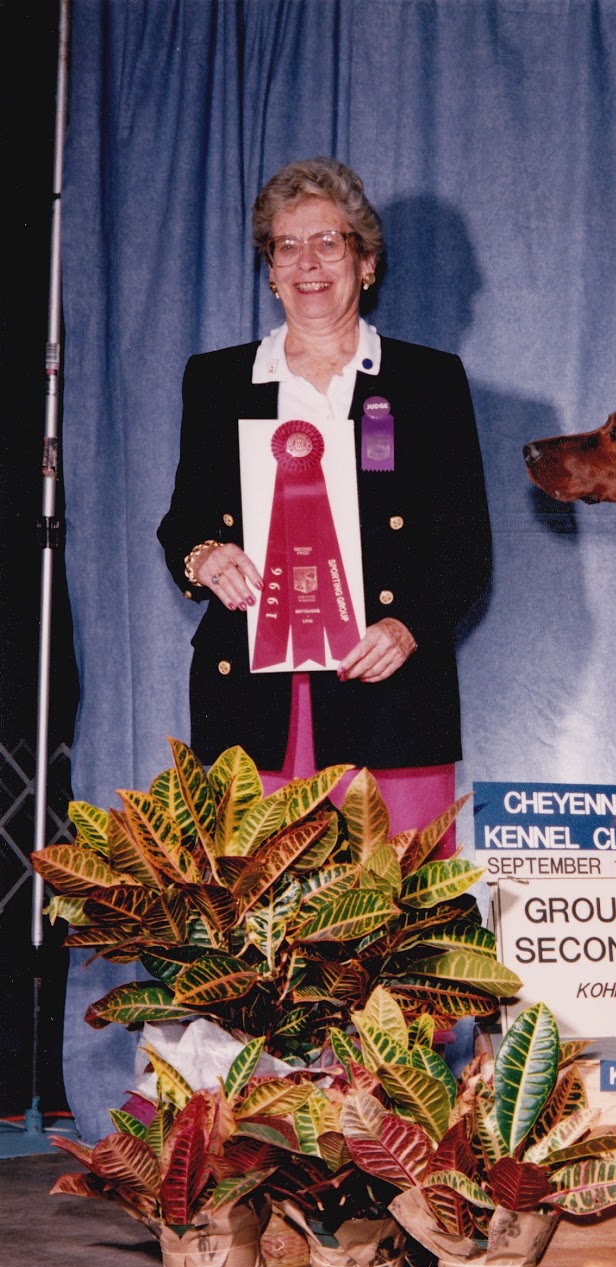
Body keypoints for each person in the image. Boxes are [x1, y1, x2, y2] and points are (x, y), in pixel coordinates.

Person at [157, 157, 490, 835]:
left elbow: (465, 548)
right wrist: (206, 558)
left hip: (389, 694)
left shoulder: (429, 382)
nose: (308, 262)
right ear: (271, 272)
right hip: (252, 701)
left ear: (366, 263)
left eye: (328, 242)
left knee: (395, 922)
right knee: (254, 924)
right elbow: (184, 521)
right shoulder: (217, 381)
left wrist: (408, 629)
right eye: (287, 246)